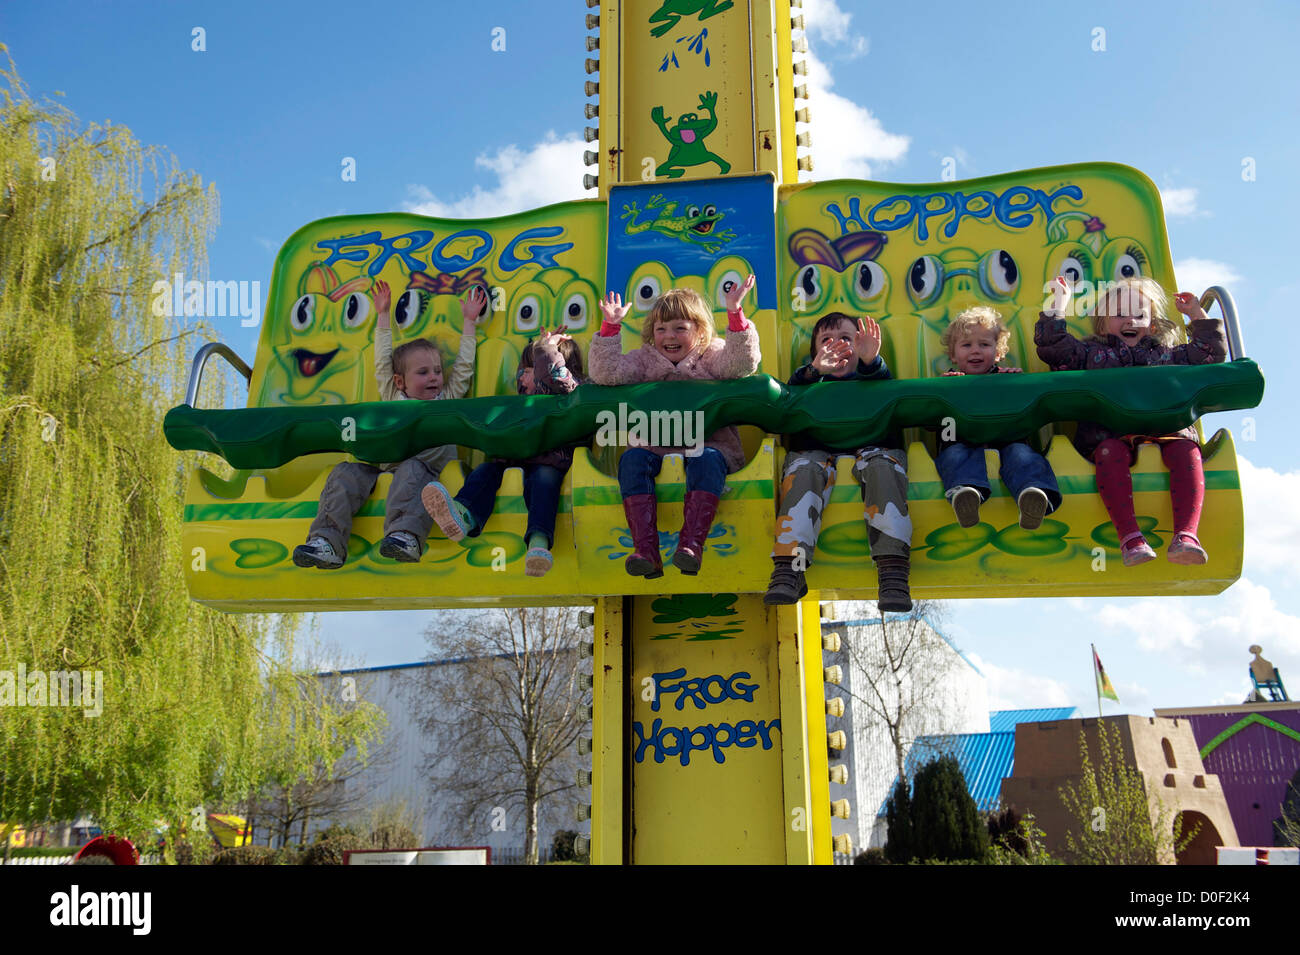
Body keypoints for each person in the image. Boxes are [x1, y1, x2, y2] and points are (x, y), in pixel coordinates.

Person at [292, 279, 485, 568]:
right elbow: (382, 360)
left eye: (436, 371)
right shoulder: (392, 395)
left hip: (423, 467)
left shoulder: (445, 399)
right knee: (345, 472)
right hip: (382, 463)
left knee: (412, 469)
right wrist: (382, 314)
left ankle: (406, 537)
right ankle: (326, 543)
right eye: (423, 372)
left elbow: (464, 368)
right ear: (400, 382)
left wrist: (470, 322)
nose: (434, 377)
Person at [1035, 275, 1226, 565]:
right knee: (1109, 452)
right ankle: (1131, 537)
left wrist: (1197, 315)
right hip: (1110, 433)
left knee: (1187, 449)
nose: (1131, 321)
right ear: (1102, 323)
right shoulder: (1092, 354)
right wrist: (1058, 305)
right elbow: (1056, 351)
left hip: (1164, 429)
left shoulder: (1166, 355)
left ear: (1151, 323)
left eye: (1139, 315)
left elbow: (1210, 356)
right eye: (1120, 314)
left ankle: (1186, 535)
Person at [588, 276, 760, 577]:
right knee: (631, 460)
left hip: (707, 444)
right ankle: (646, 549)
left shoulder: (710, 357)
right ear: (651, 334)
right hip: (654, 445)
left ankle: (692, 544)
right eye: (661, 328)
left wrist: (735, 313)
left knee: (706, 459)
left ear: (701, 331)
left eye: (681, 328)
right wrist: (611, 328)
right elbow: (607, 374)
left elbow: (741, 363)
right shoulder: (645, 361)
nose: (670, 335)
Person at [764, 311, 912, 611]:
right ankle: (789, 567)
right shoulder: (808, 380)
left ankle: (892, 569)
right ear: (815, 353)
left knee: (883, 468)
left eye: (847, 339)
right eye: (826, 341)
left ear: (861, 347)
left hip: (872, 447)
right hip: (819, 452)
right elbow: (790, 396)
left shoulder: (872, 374)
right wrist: (813, 371)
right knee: (802, 470)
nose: (838, 345)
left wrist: (871, 362)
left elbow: (880, 380)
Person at [421, 326, 584, 577]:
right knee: (487, 470)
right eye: (521, 371)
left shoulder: (571, 394)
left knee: (544, 479)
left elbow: (558, 381)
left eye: (528, 372)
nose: (520, 378)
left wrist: (546, 349)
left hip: (550, 462)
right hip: (515, 459)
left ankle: (538, 543)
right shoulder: (518, 404)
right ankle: (463, 516)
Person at [936, 306, 1061, 529]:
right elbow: (937, 423)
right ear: (953, 355)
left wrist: (1015, 386)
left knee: (1022, 454)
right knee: (954, 453)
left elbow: (1027, 412)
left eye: (984, 344)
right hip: (961, 441)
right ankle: (966, 494)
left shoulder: (1006, 378)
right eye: (967, 345)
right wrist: (946, 392)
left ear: (998, 351)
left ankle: (1032, 493)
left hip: (1006, 441)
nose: (975, 350)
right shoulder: (949, 382)